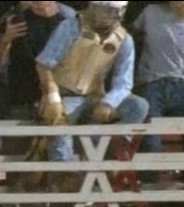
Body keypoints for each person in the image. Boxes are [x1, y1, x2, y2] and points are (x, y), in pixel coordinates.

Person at [35, 0, 149, 162]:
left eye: (112, 11)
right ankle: (63, 175)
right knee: (60, 127)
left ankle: (108, 152)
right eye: (103, 9)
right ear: (92, 7)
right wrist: (52, 97)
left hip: (95, 96)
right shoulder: (70, 27)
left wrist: (108, 103)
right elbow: (44, 65)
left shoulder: (124, 39)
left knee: (138, 105)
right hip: (65, 96)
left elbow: (124, 83)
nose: (107, 15)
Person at [130, 1, 184, 179]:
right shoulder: (150, 12)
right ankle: (148, 190)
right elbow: (129, 36)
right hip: (151, 82)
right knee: (150, 139)